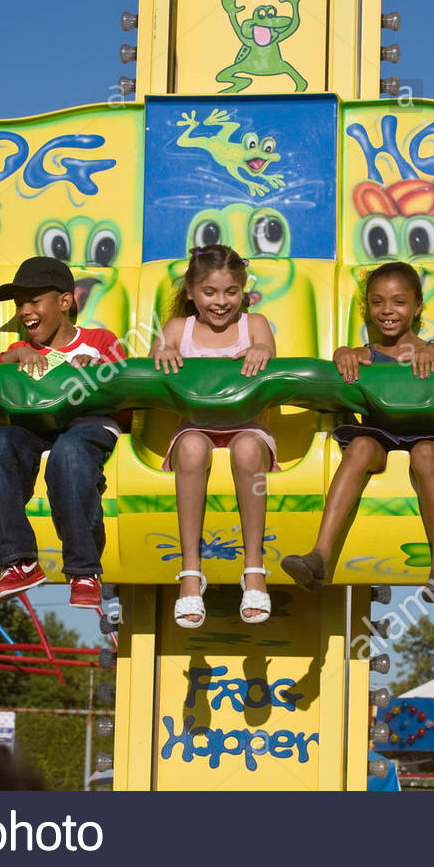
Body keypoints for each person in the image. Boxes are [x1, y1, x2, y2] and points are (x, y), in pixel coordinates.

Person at [281, 261, 434, 603]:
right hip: (381, 434)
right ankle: (319, 555)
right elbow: (343, 357)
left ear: (417, 306)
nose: (387, 311)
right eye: (377, 302)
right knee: (360, 445)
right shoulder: (367, 355)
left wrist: (428, 353)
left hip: (427, 435)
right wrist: (342, 353)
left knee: (423, 455)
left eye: (398, 302)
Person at [0, 256, 127, 611]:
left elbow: (126, 395)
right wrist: (10, 360)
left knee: (69, 453)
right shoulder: (20, 350)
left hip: (85, 426)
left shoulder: (99, 340)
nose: (25, 311)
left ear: (63, 302)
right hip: (36, 427)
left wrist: (99, 373)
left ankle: (83, 570)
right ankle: (19, 562)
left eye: (33, 300)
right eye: (20, 304)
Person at [152, 244, 276, 628]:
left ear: (243, 292)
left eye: (231, 293)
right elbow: (154, 364)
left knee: (246, 449)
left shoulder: (253, 325)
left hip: (247, 424)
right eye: (210, 293)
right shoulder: (177, 329)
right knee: (189, 447)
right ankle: (191, 573)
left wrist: (260, 350)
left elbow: (269, 355)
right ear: (190, 292)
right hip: (195, 425)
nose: (221, 302)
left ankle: (253, 567)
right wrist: (161, 355)